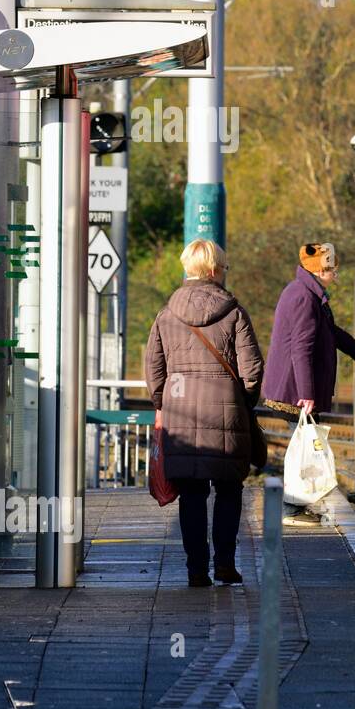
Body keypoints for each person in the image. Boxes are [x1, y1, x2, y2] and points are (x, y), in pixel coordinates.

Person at [144, 239, 264, 588]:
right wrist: (242, 399)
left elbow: (154, 370)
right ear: (213, 270)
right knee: (229, 490)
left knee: (192, 494)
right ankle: (225, 563)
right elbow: (252, 368)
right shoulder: (234, 312)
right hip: (227, 416)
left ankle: (196, 569)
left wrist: (161, 403)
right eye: (224, 268)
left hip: (181, 415)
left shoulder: (167, 314)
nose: (226, 274)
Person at [261, 243, 355, 419]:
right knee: (309, 446)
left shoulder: (304, 291)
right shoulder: (304, 297)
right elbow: (301, 349)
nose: (334, 277)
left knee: (307, 446)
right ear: (321, 271)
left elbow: (328, 330)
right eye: (332, 272)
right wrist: (306, 394)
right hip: (296, 397)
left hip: (296, 394)